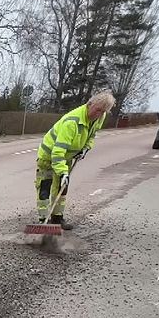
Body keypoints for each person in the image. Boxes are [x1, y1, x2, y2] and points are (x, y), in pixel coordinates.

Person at [35, 91, 115, 229]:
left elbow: (92, 135)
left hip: (67, 157)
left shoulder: (99, 118)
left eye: (103, 112)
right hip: (48, 156)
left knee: (62, 188)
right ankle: (43, 221)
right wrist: (63, 172)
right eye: (97, 110)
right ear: (90, 104)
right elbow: (57, 152)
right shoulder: (72, 122)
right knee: (45, 188)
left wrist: (85, 148)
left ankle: (57, 219)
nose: (99, 114)